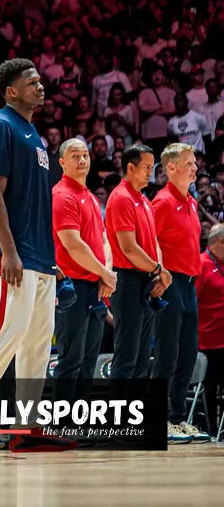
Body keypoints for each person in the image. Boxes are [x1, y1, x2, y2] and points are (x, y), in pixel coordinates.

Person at [0, 59, 75, 452]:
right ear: (11, 91)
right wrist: (8, 251)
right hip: (15, 255)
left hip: (40, 256)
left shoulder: (34, 135)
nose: (41, 86)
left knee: (38, 343)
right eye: (32, 82)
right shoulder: (1, 127)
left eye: (40, 81)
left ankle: (26, 426)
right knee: (7, 331)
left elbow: (34, 203)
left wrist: (50, 257)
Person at [151, 143, 210, 442]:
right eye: (189, 163)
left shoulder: (189, 201)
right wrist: (159, 276)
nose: (195, 168)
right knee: (167, 354)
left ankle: (176, 419)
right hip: (170, 283)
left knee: (187, 354)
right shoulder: (161, 202)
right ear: (171, 168)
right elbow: (150, 243)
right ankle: (157, 420)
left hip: (189, 285)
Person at [51, 138, 115, 403]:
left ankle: (80, 421)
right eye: (75, 156)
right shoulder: (61, 195)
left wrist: (106, 274)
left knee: (90, 358)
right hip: (73, 287)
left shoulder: (89, 196)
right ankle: (62, 419)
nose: (82, 160)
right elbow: (72, 244)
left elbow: (103, 240)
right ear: (62, 162)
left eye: (85, 156)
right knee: (71, 358)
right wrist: (105, 273)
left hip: (96, 286)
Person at [105, 144, 168, 400]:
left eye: (152, 167)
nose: (150, 173)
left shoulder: (143, 199)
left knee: (143, 358)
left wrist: (159, 273)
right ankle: (119, 422)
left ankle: (136, 419)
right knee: (127, 357)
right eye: (146, 167)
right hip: (129, 281)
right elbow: (129, 249)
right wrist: (158, 269)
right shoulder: (121, 198)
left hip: (146, 280)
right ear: (130, 168)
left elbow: (153, 243)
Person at [196, 225, 224, 439]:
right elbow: (191, 304)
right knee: (210, 387)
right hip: (208, 339)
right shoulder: (202, 263)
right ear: (218, 242)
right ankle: (210, 429)